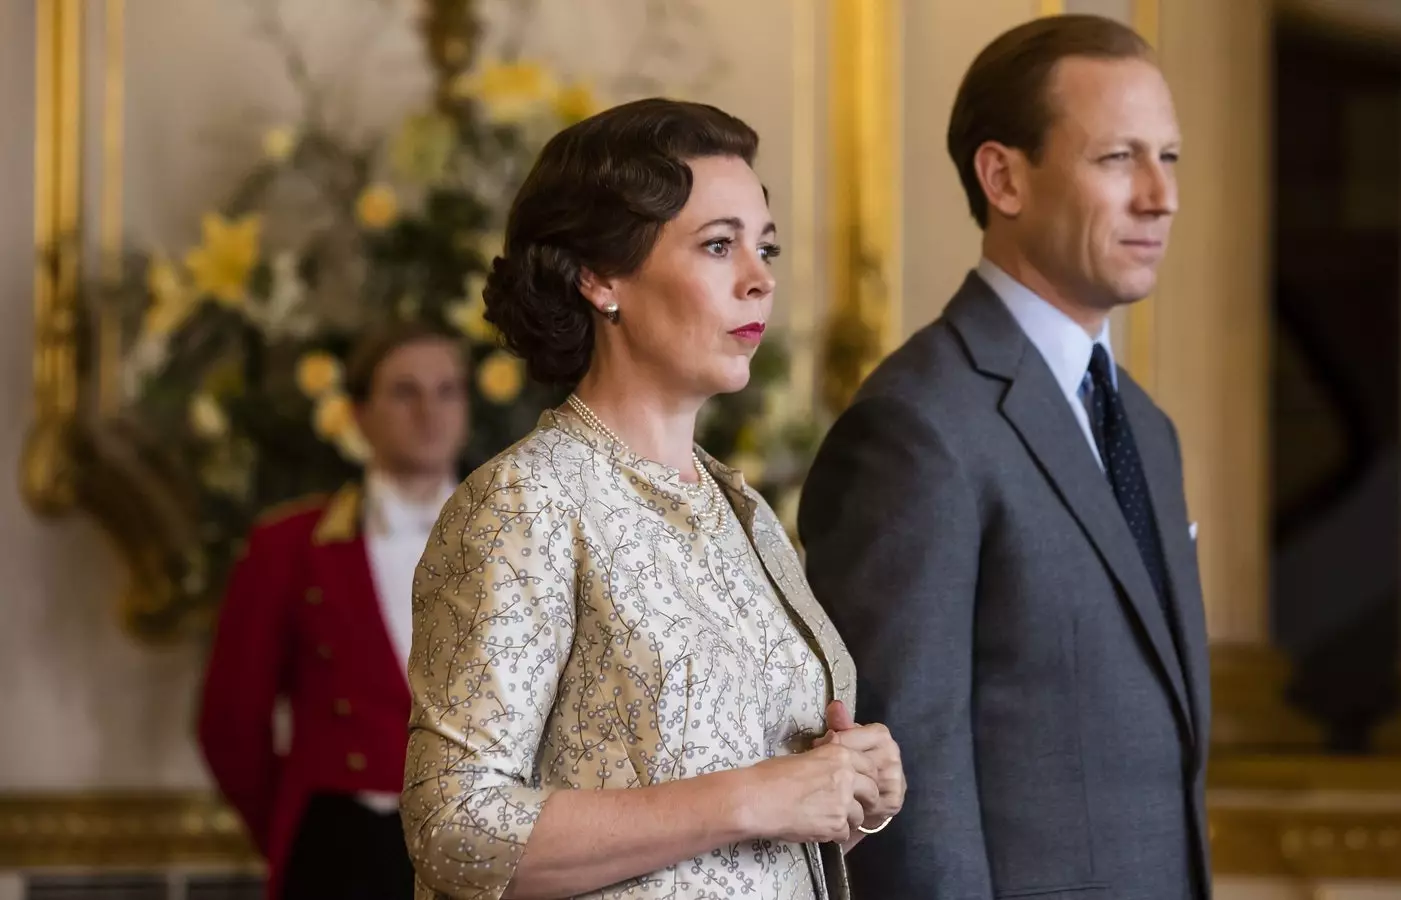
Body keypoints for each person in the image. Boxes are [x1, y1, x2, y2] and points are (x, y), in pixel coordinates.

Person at [401, 97, 905, 900]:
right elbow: (452, 829)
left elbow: (765, 793)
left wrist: (854, 783)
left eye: (764, 247)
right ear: (600, 278)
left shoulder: (744, 510)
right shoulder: (525, 502)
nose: (759, 279)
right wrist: (751, 797)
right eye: (717, 246)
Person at [798, 14, 1209, 900]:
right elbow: (902, 795)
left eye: (1168, 157)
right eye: (1117, 158)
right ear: (1004, 176)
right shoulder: (916, 426)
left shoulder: (1147, 426)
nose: (1159, 194)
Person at [198, 323, 470, 900]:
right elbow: (229, 722)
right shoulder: (288, 547)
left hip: (487, 849)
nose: (431, 411)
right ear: (358, 413)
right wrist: (298, 829)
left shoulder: (519, 541)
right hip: (345, 853)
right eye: (405, 392)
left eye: (448, 391)